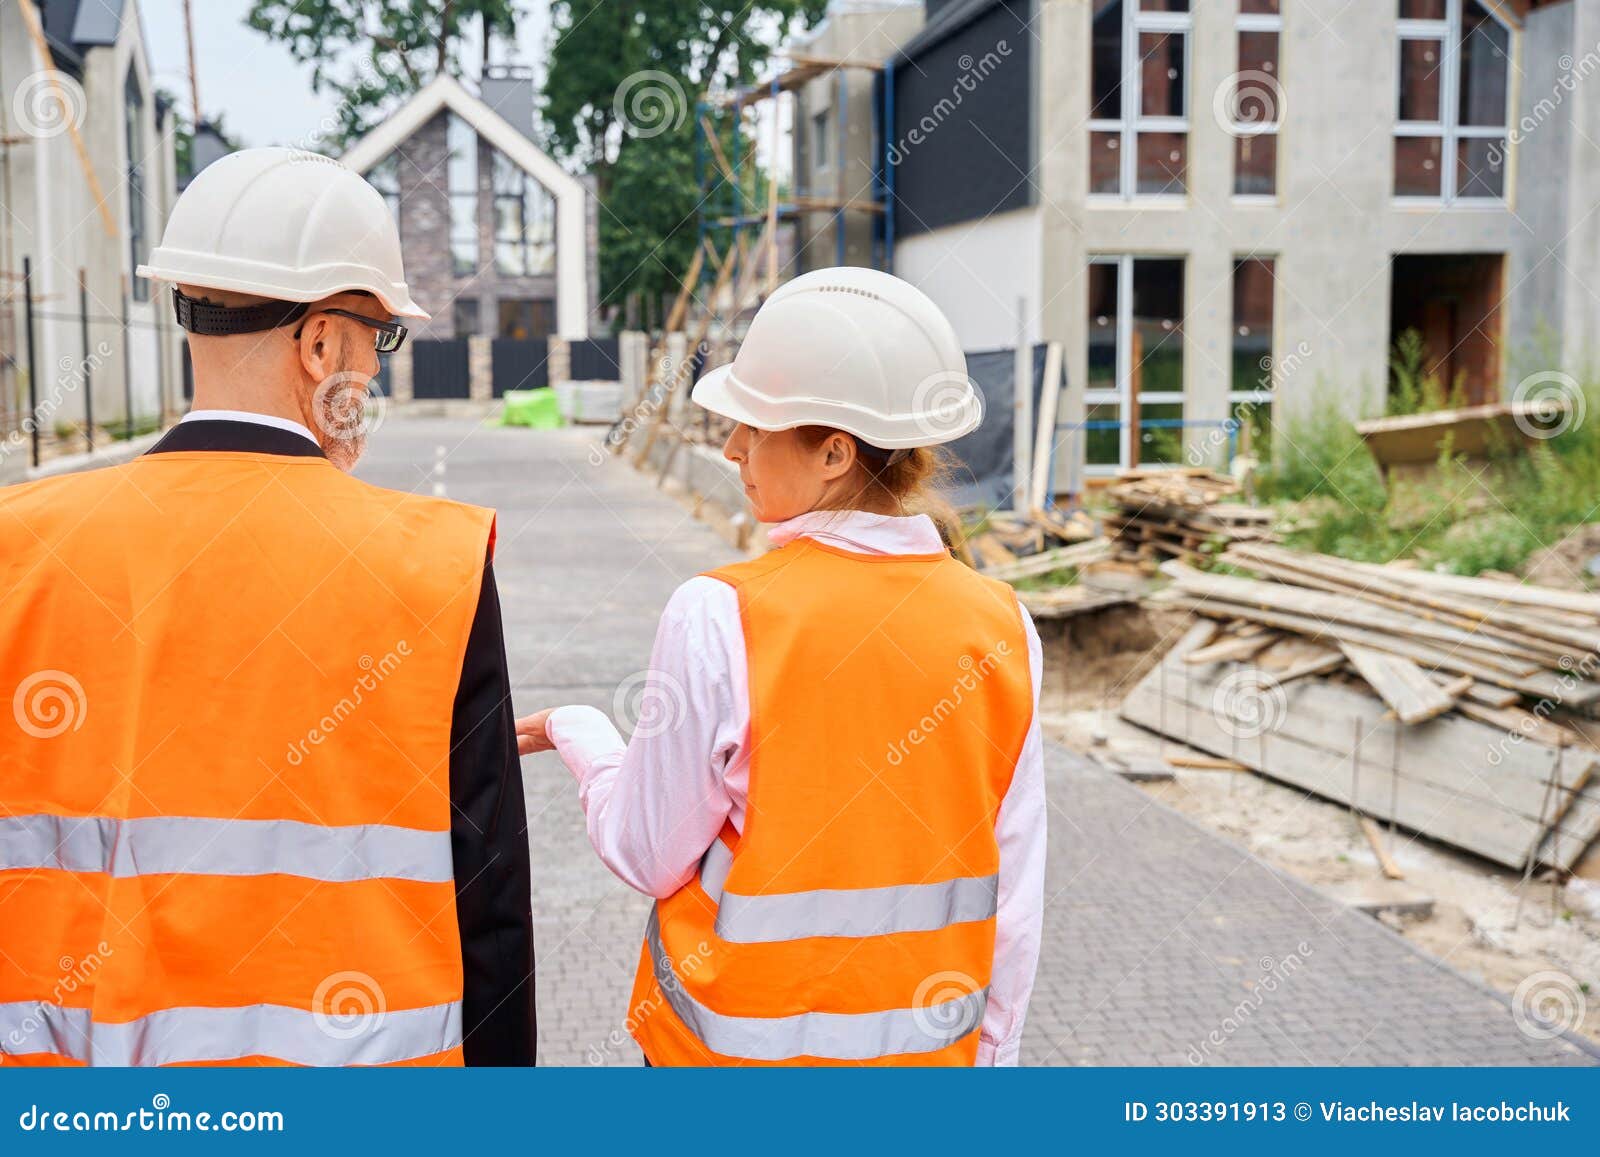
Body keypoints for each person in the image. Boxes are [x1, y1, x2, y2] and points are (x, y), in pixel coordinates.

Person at [0, 148, 534, 1066]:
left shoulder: (20, 543)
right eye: (378, 339)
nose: (373, 370)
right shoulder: (433, 562)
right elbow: (488, 911)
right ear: (320, 342)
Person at [518, 267, 1045, 1066]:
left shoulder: (720, 612)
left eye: (755, 427)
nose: (732, 448)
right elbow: (1015, 893)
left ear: (834, 451)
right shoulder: (1004, 624)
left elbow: (644, 849)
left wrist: (583, 734)